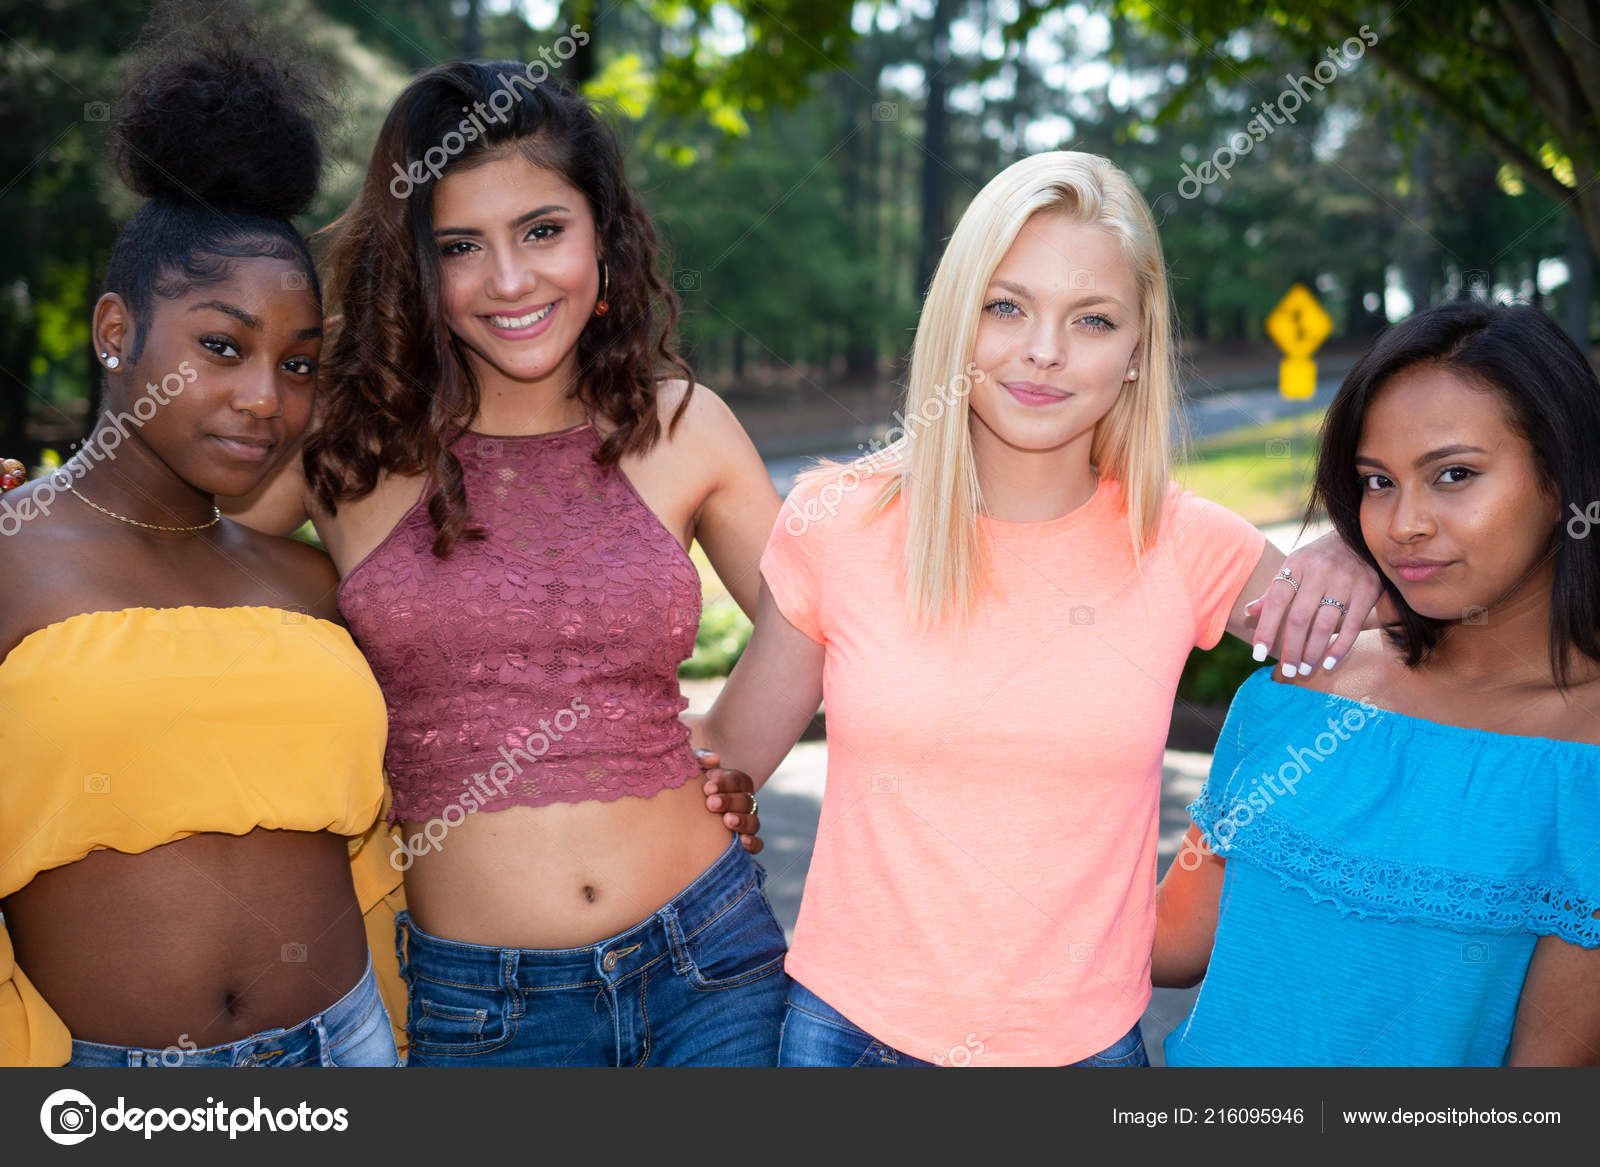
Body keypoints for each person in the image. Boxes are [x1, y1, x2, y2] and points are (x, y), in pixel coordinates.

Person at [693, 149, 1382, 1067]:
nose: (1044, 350)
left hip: (1085, 1051)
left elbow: (1446, 644)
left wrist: (1361, 552)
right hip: (848, 1037)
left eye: (1092, 319)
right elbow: (723, 759)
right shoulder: (840, 521)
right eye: (1006, 305)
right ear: (955, 320)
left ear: (1138, 347)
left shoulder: (1188, 543)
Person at [222, 64, 782, 1066]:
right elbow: (169, 550)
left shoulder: (685, 427)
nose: (512, 279)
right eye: (460, 248)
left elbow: (816, 615)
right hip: (488, 1009)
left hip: (712, 965)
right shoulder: (347, 452)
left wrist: (737, 750)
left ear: (601, 237)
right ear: (416, 269)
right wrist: (45, 509)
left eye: (541, 230)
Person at [0, 10, 403, 1068]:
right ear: (116, 331)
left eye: (301, 362)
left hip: (349, 1048)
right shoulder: (9, 558)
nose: (265, 399)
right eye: (221, 346)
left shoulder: (307, 580)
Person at [1154, 300, 1600, 1066]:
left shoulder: (1583, 763)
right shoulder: (1295, 690)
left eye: (1454, 474)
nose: (1404, 524)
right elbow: (1170, 943)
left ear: (1562, 481)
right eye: (1378, 482)